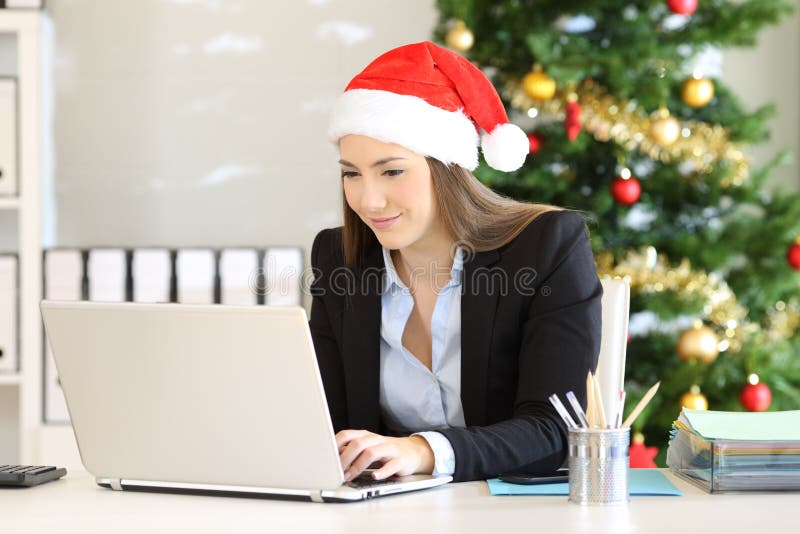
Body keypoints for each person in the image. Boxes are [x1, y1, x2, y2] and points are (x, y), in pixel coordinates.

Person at [309, 41, 602, 484]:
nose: (368, 200)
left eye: (392, 171)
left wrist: (422, 450)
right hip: (380, 511)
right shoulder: (338, 260)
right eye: (352, 173)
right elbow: (322, 420)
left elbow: (556, 429)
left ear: (446, 168)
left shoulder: (546, 246)